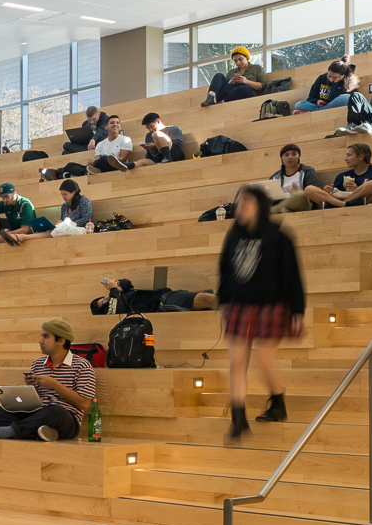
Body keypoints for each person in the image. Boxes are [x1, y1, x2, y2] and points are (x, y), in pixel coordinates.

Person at [218, 184, 306, 440]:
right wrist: (223, 302)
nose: (240, 208)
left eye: (246, 203)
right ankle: (238, 418)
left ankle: (278, 401)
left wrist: (298, 312)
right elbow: (225, 270)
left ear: (260, 206)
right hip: (240, 305)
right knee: (236, 362)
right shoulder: (233, 235)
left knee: (263, 360)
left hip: (272, 305)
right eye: (239, 203)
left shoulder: (280, 237)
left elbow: (293, 277)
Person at [0, 319, 96, 441]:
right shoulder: (38, 364)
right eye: (41, 336)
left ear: (61, 341)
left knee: (56, 411)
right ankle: (41, 433)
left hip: (65, 420)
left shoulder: (82, 366)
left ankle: (5, 431)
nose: (40, 341)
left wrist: (54, 384)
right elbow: (35, 401)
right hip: (35, 415)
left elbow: (86, 405)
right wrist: (28, 392)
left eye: (45, 336)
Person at [302, 142, 372, 209]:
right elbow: (335, 194)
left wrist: (357, 190)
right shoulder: (342, 176)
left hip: (362, 203)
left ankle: (342, 205)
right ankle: (343, 204)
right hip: (339, 201)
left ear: (361, 157)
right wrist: (328, 191)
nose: (345, 159)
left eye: (349, 155)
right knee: (309, 189)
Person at [90, 278, 216, 315]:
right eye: (105, 302)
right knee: (206, 299)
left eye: (105, 297)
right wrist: (112, 291)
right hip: (161, 304)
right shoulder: (114, 308)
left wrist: (118, 286)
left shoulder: (120, 296)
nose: (108, 299)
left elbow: (128, 282)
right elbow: (118, 311)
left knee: (208, 295)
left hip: (165, 294)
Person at [200, 47, 265, 106]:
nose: (238, 63)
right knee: (219, 75)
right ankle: (210, 98)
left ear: (246, 57)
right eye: (235, 61)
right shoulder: (231, 72)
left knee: (244, 88)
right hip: (229, 95)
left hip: (246, 96)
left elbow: (263, 86)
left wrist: (246, 81)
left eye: (240, 59)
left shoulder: (257, 68)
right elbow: (223, 86)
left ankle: (221, 103)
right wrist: (230, 83)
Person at [0, 182, 36, 247]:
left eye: (6, 196)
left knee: (1, 240)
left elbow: (26, 229)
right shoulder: (5, 203)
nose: (4, 200)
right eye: (2, 198)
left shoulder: (25, 204)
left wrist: (7, 234)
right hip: (11, 231)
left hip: (24, 236)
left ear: (13, 193)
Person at [270, 143, 320, 213]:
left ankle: (273, 211)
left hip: (303, 204)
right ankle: (283, 210)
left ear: (299, 156)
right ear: (281, 158)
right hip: (283, 204)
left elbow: (315, 193)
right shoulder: (274, 177)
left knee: (299, 195)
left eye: (294, 154)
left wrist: (294, 195)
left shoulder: (308, 171)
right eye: (286, 155)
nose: (290, 157)